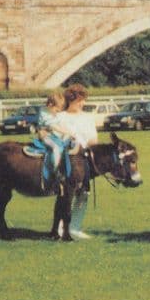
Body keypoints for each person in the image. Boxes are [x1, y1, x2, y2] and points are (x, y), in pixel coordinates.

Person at [58, 84, 98, 239]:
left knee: (83, 194)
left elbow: (93, 140)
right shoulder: (60, 117)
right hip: (64, 159)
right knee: (65, 195)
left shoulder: (87, 118)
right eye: (80, 100)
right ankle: (61, 227)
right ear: (71, 100)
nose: (83, 104)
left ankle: (75, 227)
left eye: (84, 100)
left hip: (83, 159)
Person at [35, 92, 73, 190]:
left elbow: (60, 125)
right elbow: (54, 126)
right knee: (55, 148)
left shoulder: (53, 113)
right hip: (45, 136)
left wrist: (68, 133)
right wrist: (68, 132)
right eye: (57, 108)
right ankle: (55, 172)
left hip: (54, 136)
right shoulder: (44, 112)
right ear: (50, 105)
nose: (59, 111)